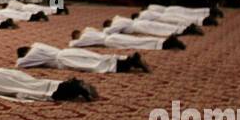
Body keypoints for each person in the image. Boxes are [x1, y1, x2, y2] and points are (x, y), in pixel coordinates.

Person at [16, 43, 148, 74]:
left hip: (63, 60)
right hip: (67, 52)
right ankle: (126, 59)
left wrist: (22, 57)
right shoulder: (38, 45)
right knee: (96, 57)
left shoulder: (32, 54)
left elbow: (20, 64)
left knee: (94, 65)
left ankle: (128, 64)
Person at [70, 27, 184, 51]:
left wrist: (76, 39)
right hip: (113, 37)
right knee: (137, 40)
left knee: (136, 44)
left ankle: (164, 44)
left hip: (110, 41)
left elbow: (73, 44)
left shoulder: (84, 37)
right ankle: (163, 42)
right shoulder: (90, 31)